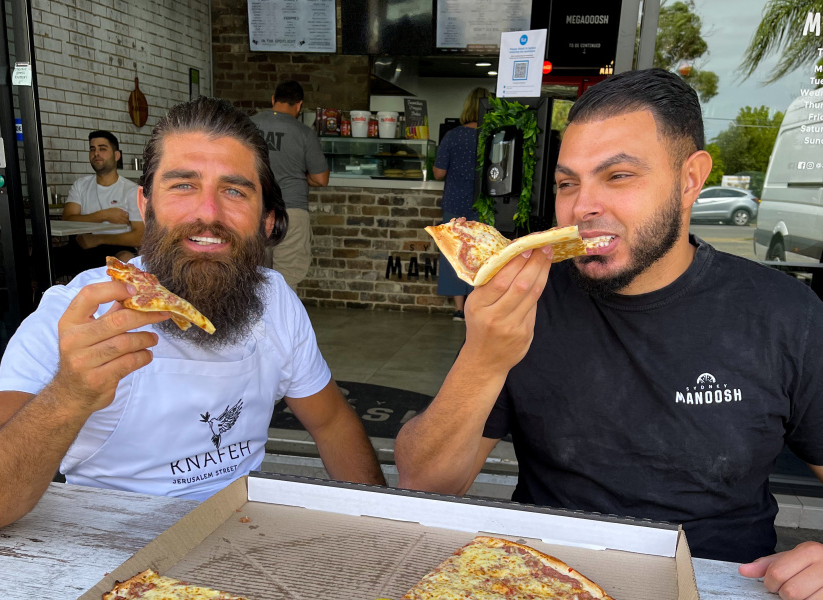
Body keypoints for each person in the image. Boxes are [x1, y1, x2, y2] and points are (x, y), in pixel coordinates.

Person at [395, 69, 823, 598]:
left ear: (691, 179)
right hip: (532, 578)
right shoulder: (531, 301)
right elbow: (425, 483)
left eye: (618, 176)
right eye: (567, 183)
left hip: (719, 580)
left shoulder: (783, 313)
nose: (581, 208)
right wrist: (484, 356)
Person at [0, 97, 385, 541]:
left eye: (235, 190)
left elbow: (333, 423)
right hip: (107, 549)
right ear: (145, 205)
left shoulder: (276, 301)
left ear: (266, 219)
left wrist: (382, 532)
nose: (208, 213)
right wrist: (67, 396)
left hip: (242, 535)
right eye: (183, 185)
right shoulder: (76, 313)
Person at [251, 81, 329, 290]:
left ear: (273, 100)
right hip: (291, 211)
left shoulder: (247, 126)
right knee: (286, 282)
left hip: (253, 210)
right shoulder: (304, 133)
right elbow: (321, 178)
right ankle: (282, 322)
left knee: (252, 276)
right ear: (299, 105)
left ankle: (254, 323)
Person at [432, 87, 490, 321]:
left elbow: (438, 173)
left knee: (455, 255)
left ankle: (459, 310)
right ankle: (478, 307)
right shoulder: (494, 135)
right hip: (484, 205)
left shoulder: (453, 135)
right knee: (482, 256)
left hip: (455, 204)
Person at [60, 130, 144, 267]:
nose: (96, 153)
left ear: (117, 155)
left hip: (118, 246)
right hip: (83, 245)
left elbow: (139, 236)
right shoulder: (80, 185)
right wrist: (103, 215)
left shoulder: (131, 190)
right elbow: (67, 219)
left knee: (126, 258)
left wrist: (98, 239)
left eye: (102, 149)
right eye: (92, 149)